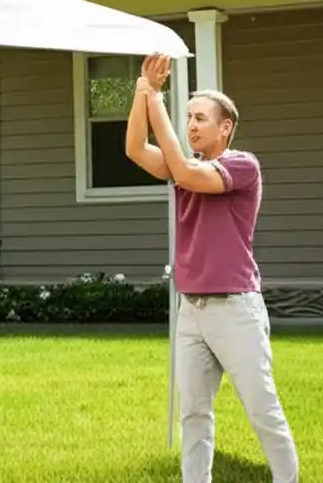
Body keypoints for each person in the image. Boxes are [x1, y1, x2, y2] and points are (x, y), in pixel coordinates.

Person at [124, 53, 298, 483]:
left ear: (226, 128)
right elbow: (133, 148)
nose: (191, 125)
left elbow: (183, 171)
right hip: (192, 310)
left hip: (235, 308)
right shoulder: (184, 168)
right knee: (194, 413)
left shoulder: (243, 166)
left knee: (262, 409)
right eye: (187, 118)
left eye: (201, 118)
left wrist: (157, 99)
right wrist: (141, 91)